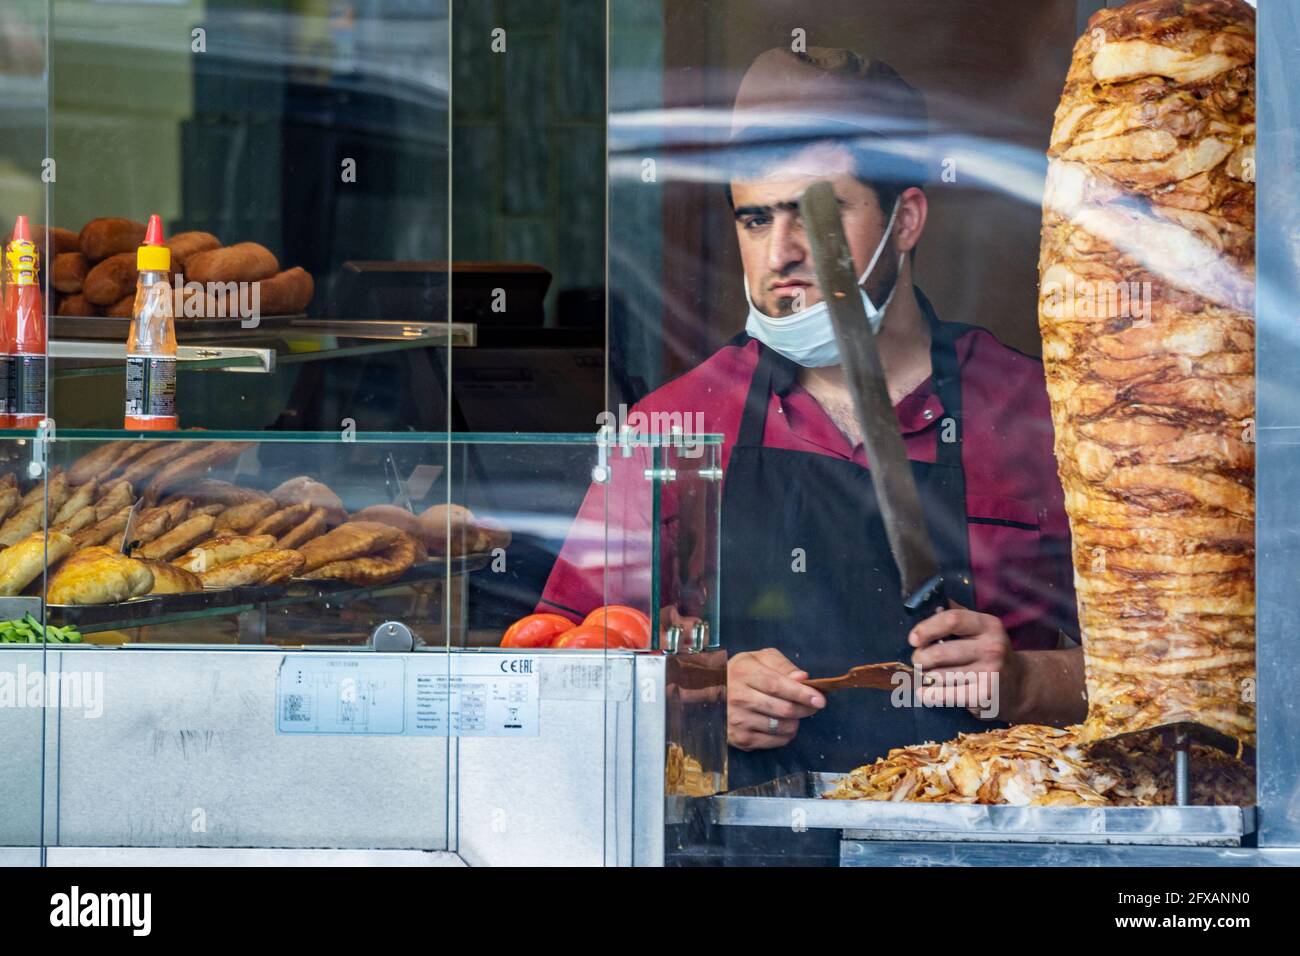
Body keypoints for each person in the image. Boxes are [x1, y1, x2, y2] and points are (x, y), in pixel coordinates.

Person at [539, 47, 1085, 788]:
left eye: (819, 214)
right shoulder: (675, 425)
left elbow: (1172, 674)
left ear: (906, 220)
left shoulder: (1039, 416)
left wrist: (1029, 681)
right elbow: (555, 670)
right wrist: (687, 696)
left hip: (970, 838)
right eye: (756, 219)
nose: (783, 253)